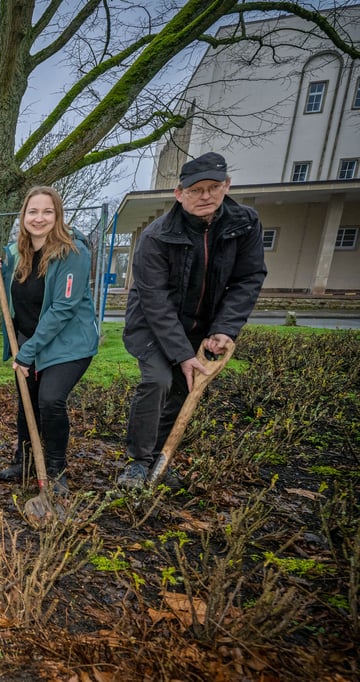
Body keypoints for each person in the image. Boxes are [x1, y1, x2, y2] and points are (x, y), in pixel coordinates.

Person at [118, 152, 266, 489]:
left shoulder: (244, 224)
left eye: (214, 187)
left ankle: (160, 458)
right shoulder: (156, 237)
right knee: (158, 380)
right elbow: (154, 300)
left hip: (203, 326)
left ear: (227, 186)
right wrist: (182, 354)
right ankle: (137, 464)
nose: (206, 196)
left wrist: (224, 329)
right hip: (153, 324)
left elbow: (248, 278)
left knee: (183, 389)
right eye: (196, 189)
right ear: (179, 193)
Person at [0, 186, 99, 495]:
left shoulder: (73, 252)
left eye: (47, 212)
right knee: (27, 401)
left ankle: (55, 469)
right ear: (23, 217)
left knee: (50, 400)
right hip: (29, 339)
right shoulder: (17, 252)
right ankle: (23, 461)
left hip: (68, 343)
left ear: (58, 215)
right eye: (32, 212)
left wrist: (27, 353)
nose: (39, 218)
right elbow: (14, 287)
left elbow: (63, 309)